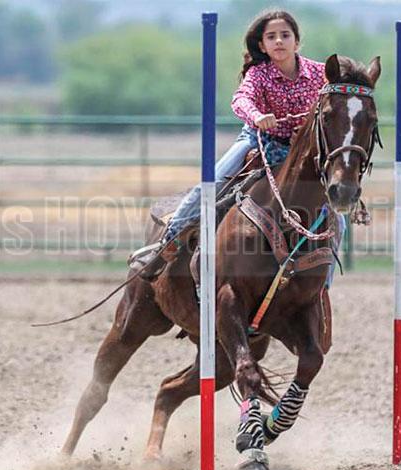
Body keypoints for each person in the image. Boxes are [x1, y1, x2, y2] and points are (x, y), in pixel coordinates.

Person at [130, 10, 333, 278]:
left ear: (297, 41)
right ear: (262, 45)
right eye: (271, 37)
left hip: (302, 151)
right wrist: (258, 116)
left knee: (333, 211)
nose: (279, 41)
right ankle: (167, 242)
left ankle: (323, 282)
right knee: (212, 182)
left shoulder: (320, 74)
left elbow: (336, 103)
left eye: (285, 35)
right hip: (258, 141)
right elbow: (241, 100)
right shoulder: (259, 75)